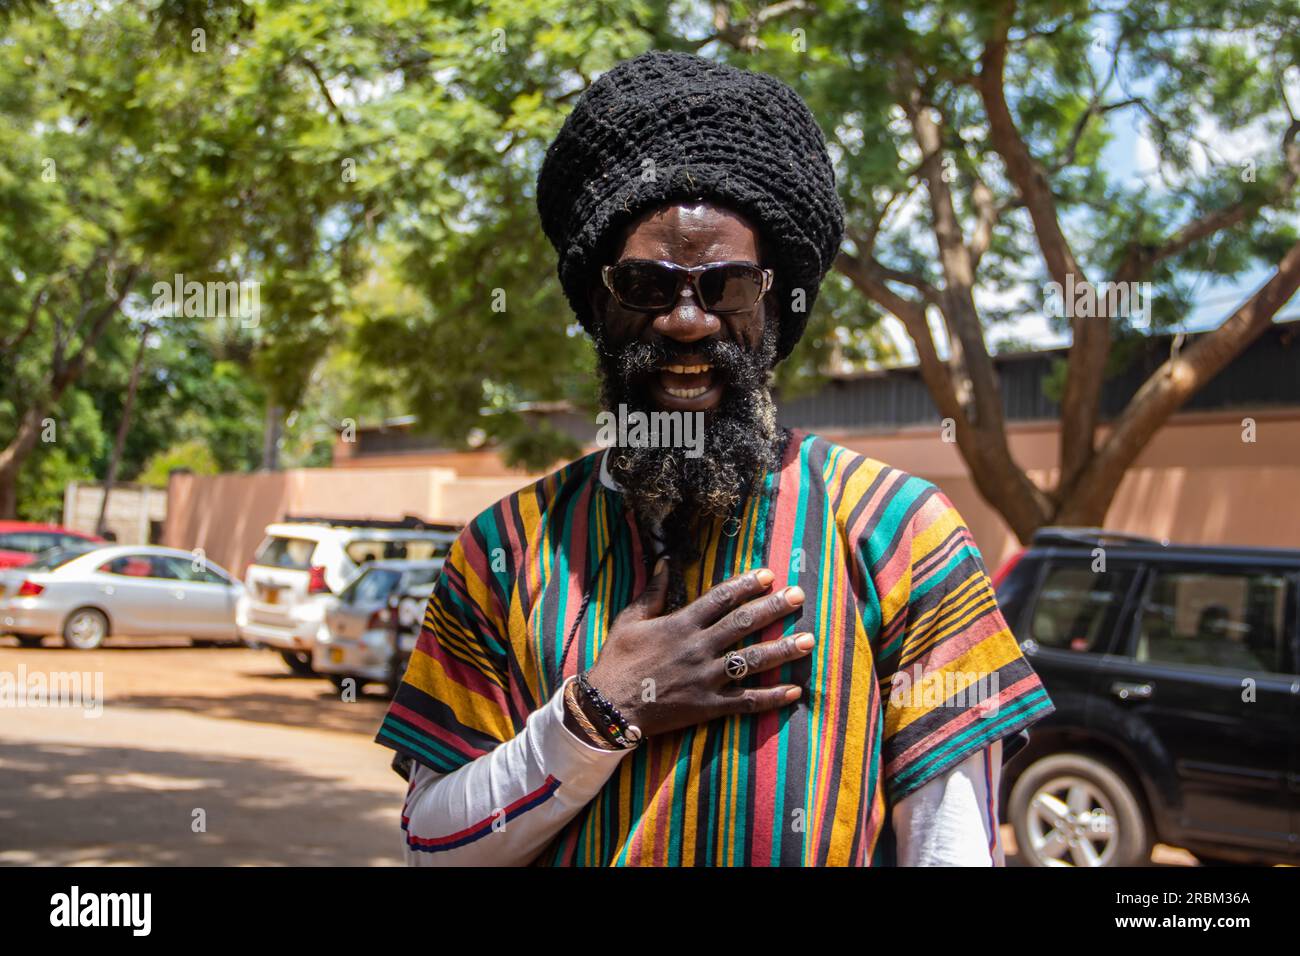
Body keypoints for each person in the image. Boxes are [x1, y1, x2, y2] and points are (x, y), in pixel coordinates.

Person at [375, 50, 1054, 866]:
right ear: (599, 303)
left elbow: (952, 849)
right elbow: (429, 845)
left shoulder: (900, 534)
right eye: (647, 285)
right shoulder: (503, 549)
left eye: (726, 286)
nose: (688, 321)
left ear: (771, 305)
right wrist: (595, 715)